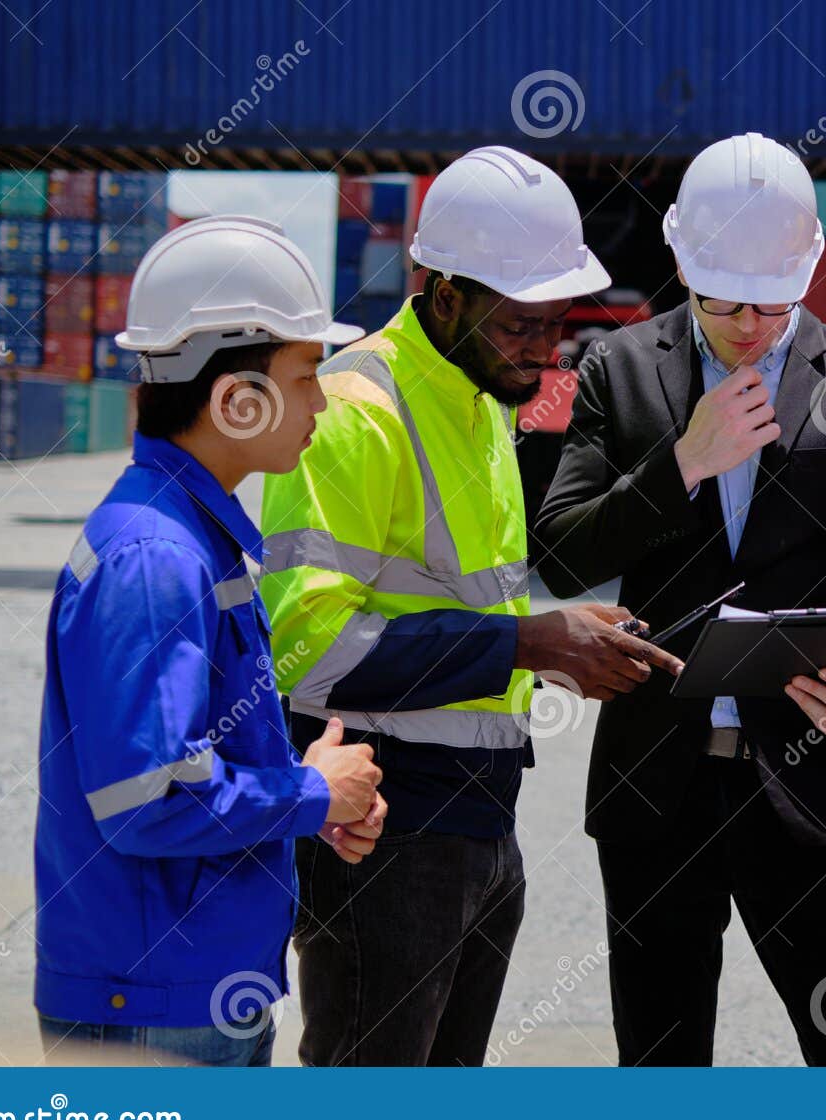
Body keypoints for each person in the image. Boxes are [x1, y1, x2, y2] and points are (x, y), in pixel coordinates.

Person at [533, 132, 826, 1066]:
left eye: (773, 302)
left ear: (808, 268)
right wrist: (682, 463)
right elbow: (560, 555)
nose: (751, 325)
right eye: (724, 303)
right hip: (655, 793)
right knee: (662, 1063)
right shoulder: (619, 370)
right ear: (680, 260)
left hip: (810, 782)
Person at [260, 145, 682, 1067]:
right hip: (384, 832)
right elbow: (307, 649)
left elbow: (464, 594)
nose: (545, 350)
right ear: (445, 295)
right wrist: (531, 641)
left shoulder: (482, 393)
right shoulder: (356, 409)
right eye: (520, 327)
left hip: (482, 822)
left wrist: (563, 633)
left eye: (555, 323)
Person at [35, 216, 386, 1066]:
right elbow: (147, 794)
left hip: (180, 987)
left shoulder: (188, 532)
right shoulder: (158, 557)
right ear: (237, 398)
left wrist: (307, 804)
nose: (322, 399)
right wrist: (308, 794)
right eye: (306, 376)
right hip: (156, 1007)